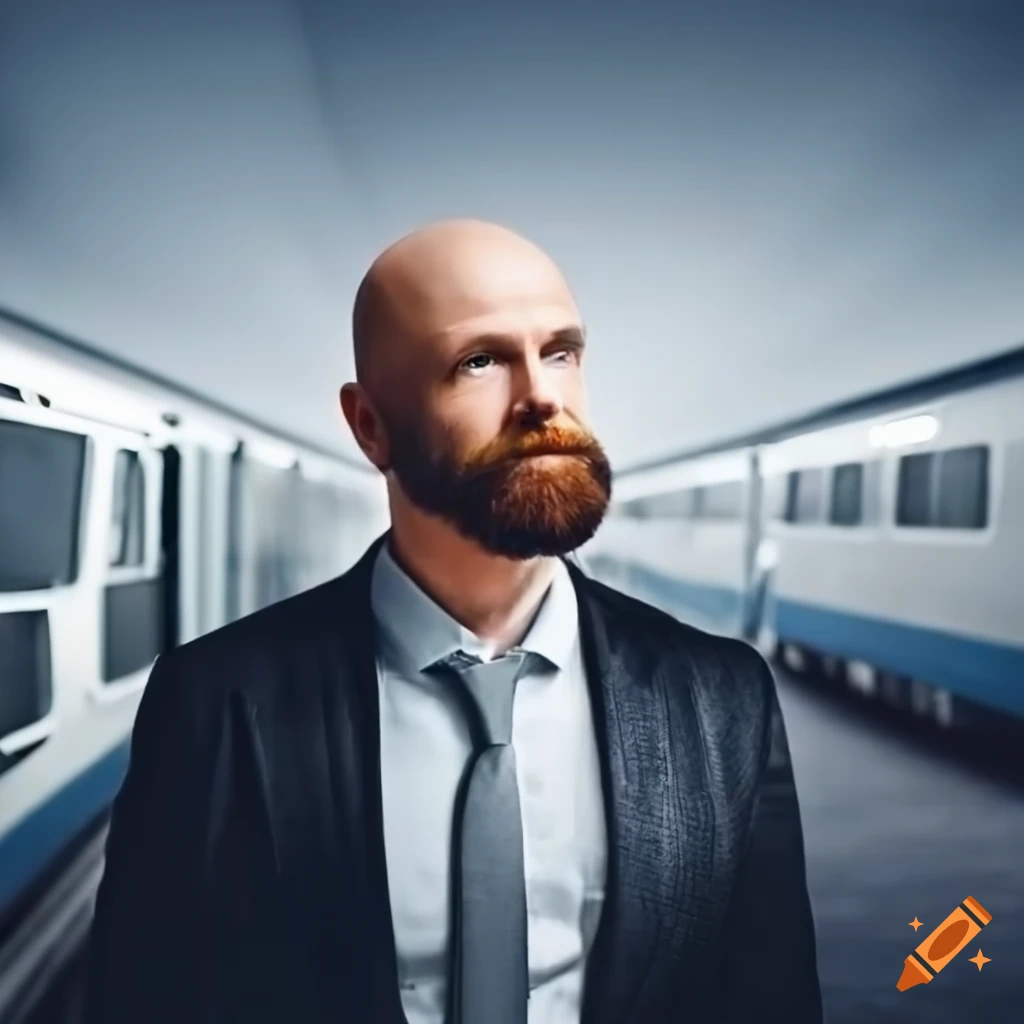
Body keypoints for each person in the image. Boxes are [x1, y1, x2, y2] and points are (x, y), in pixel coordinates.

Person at [84, 219, 824, 1024]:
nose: (543, 394)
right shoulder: (217, 699)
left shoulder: (723, 697)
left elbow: (772, 998)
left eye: (562, 352)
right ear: (371, 426)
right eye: (480, 361)